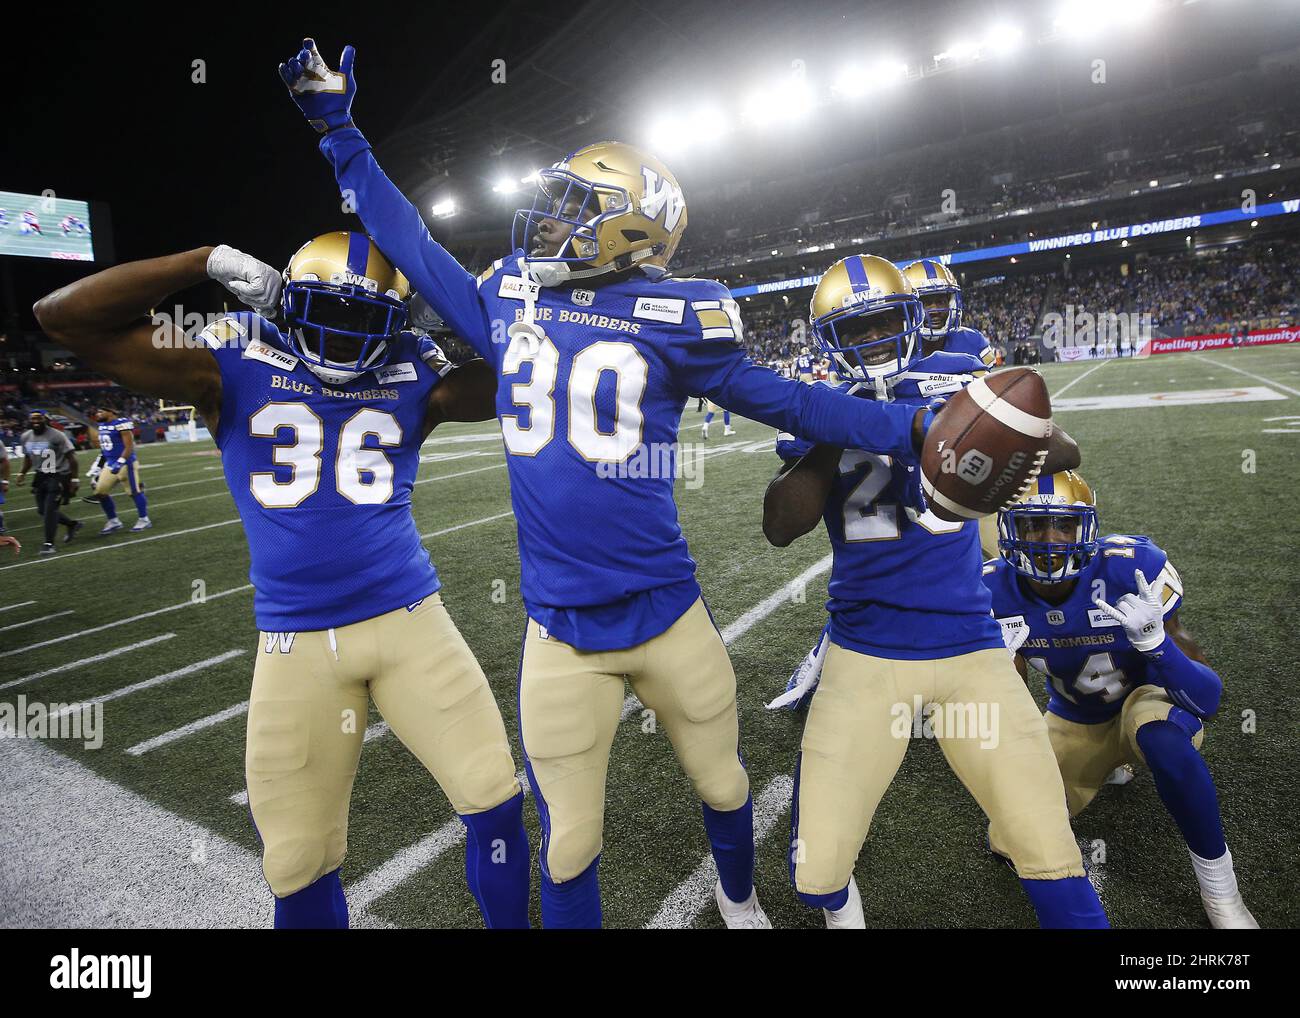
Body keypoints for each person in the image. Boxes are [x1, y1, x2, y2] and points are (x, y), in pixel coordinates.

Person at [280, 38, 937, 928]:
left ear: (628, 227)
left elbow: (793, 405)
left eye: (572, 208)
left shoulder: (678, 314)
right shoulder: (510, 292)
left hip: (668, 611)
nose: (547, 221)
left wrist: (916, 425)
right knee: (569, 843)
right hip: (559, 631)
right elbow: (407, 240)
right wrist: (338, 128)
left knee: (725, 780)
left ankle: (738, 897)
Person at [33, 233, 530, 929]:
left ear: (396, 323)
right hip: (297, 644)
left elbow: (537, 371)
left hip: (413, 623)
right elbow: (62, 316)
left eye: (366, 320)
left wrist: (470, 300)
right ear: (287, 301)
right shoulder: (235, 354)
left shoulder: (416, 366)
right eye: (329, 312)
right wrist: (200, 259)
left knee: (494, 800)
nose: (346, 334)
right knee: (297, 859)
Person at [763, 255, 1104, 929]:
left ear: (913, 316)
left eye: (885, 319)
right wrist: (842, 426)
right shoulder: (819, 400)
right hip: (863, 654)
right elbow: (781, 525)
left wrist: (960, 419)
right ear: (830, 341)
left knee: (1050, 852)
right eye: (853, 330)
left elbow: (1062, 450)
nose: (873, 340)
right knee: (817, 869)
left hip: (970, 651)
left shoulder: (957, 378)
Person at [983, 471, 1257, 929]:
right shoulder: (991, 590)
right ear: (1011, 531)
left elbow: (1206, 699)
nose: (1050, 539)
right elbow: (1007, 708)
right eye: (1034, 525)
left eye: (1064, 526)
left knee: (1163, 740)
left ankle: (1220, 891)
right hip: (1073, 716)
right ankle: (1103, 761)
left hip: (1143, 700)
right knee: (1006, 839)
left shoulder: (1131, 568)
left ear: (1085, 529)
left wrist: (1156, 644)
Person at [14, 411, 82, 555]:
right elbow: (28, 458)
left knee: (50, 510)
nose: (36, 421)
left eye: (39, 418)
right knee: (42, 510)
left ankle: (48, 544)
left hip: (58, 475)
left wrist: (74, 479)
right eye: (33, 418)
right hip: (40, 476)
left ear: (46, 419)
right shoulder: (26, 436)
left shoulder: (57, 435)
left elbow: (72, 458)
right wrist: (22, 473)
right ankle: (72, 524)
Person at [89, 407, 151, 533]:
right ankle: (113, 521)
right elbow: (105, 449)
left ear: (111, 412)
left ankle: (144, 519)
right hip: (110, 464)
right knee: (100, 493)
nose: (98, 414)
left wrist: (120, 462)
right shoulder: (102, 426)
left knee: (134, 492)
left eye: (101, 411)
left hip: (126, 463)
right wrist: (97, 465)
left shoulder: (121, 424)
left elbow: (129, 446)